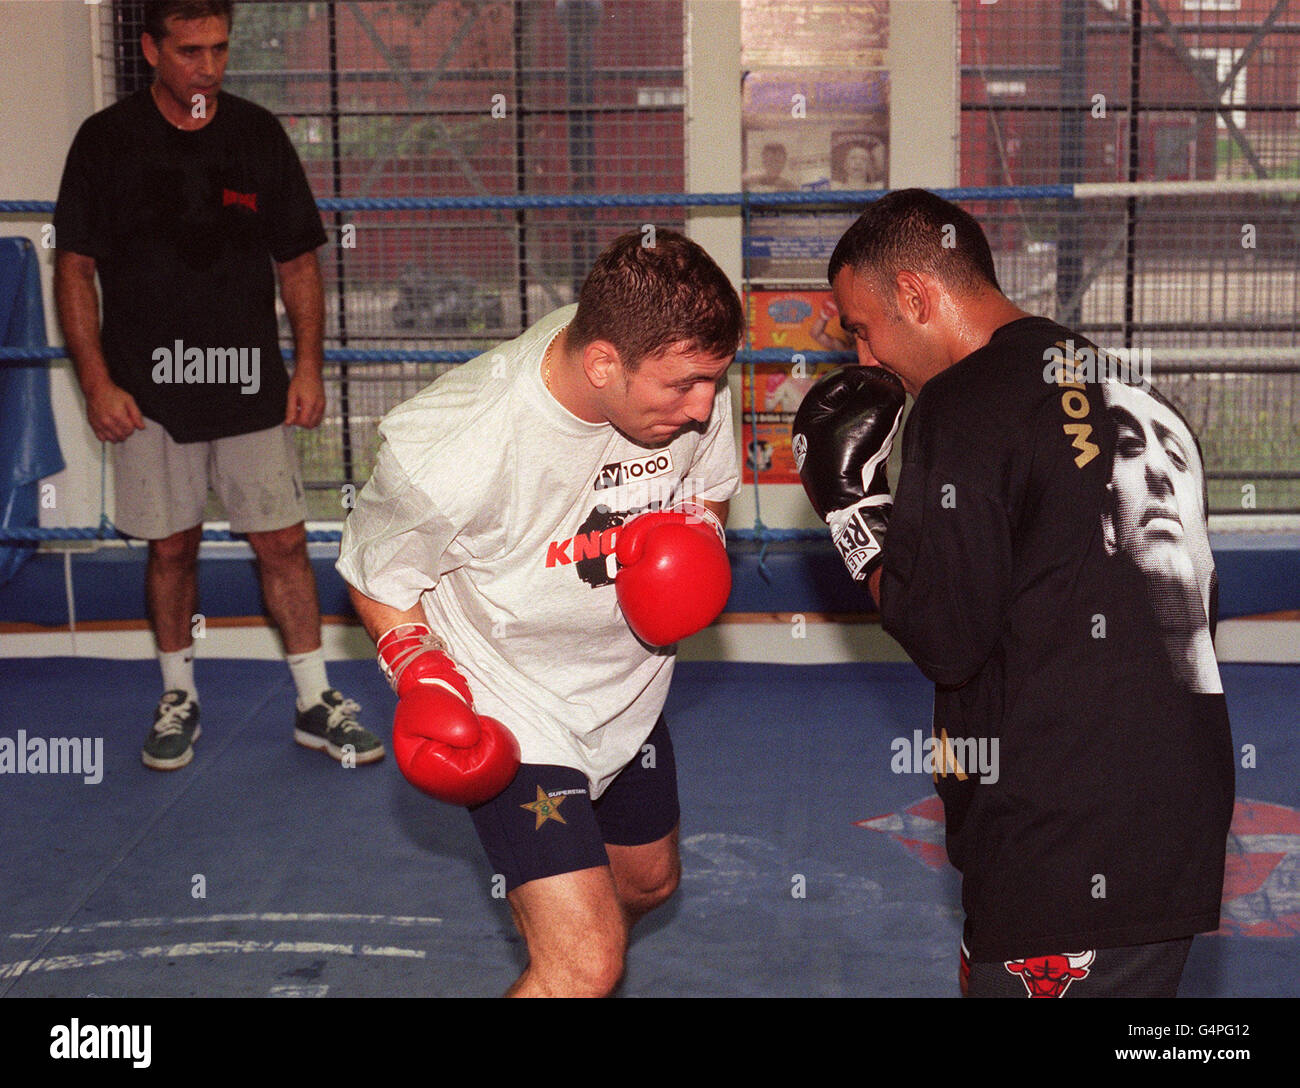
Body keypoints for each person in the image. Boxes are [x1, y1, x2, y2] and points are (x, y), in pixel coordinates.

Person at [793, 188, 1233, 998]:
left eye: (862, 328)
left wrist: (856, 515)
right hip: (1172, 823)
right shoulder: (1128, 389)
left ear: (918, 297)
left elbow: (944, 636)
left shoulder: (963, 404)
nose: (863, 357)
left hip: (1062, 841)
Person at [337, 228, 744, 997]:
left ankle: (565, 921)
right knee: (584, 967)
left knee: (648, 884)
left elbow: (709, 485)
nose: (702, 408)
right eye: (683, 387)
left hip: (627, 687)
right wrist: (421, 672)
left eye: (712, 383)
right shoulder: (457, 446)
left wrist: (702, 538)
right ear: (602, 363)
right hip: (511, 704)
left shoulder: (691, 379)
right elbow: (375, 571)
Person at [53, 0, 384, 771]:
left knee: (285, 541)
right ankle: (178, 695)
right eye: (190, 50)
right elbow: (73, 268)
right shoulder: (105, 142)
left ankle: (313, 700)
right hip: (147, 390)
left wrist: (306, 367)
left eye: (220, 50)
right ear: (151, 51)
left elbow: (298, 261)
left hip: (247, 387)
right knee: (171, 549)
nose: (208, 66)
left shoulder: (255, 135)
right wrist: (96, 382)